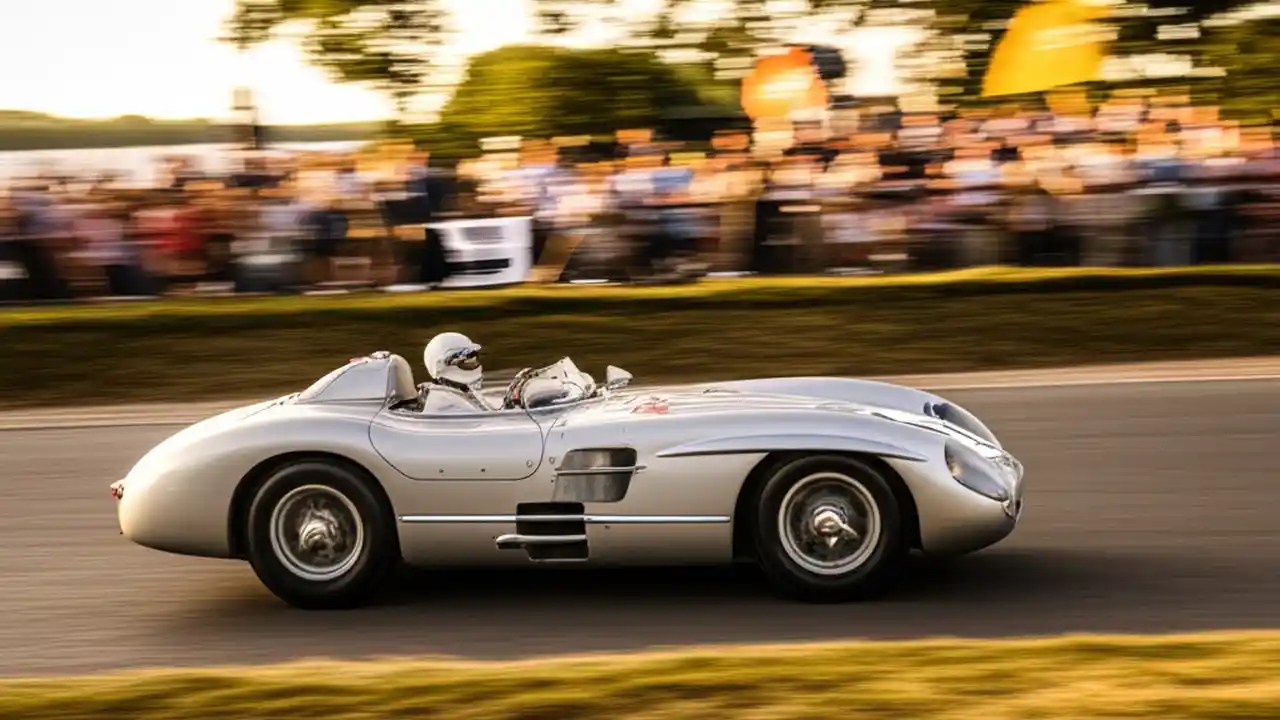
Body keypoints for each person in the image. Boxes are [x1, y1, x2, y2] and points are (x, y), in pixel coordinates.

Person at [419, 332, 491, 412]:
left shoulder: (459, 392)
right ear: (440, 365)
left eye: (473, 357)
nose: (474, 364)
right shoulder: (446, 404)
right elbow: (484, 421)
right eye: (465, 360)